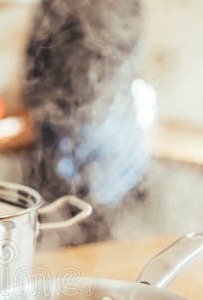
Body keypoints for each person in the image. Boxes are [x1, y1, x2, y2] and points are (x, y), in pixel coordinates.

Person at [22, 0, 148, 244]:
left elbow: (34, 64)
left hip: (99, 137)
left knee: (72, 234)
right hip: (95, 134)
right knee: (85, 234)